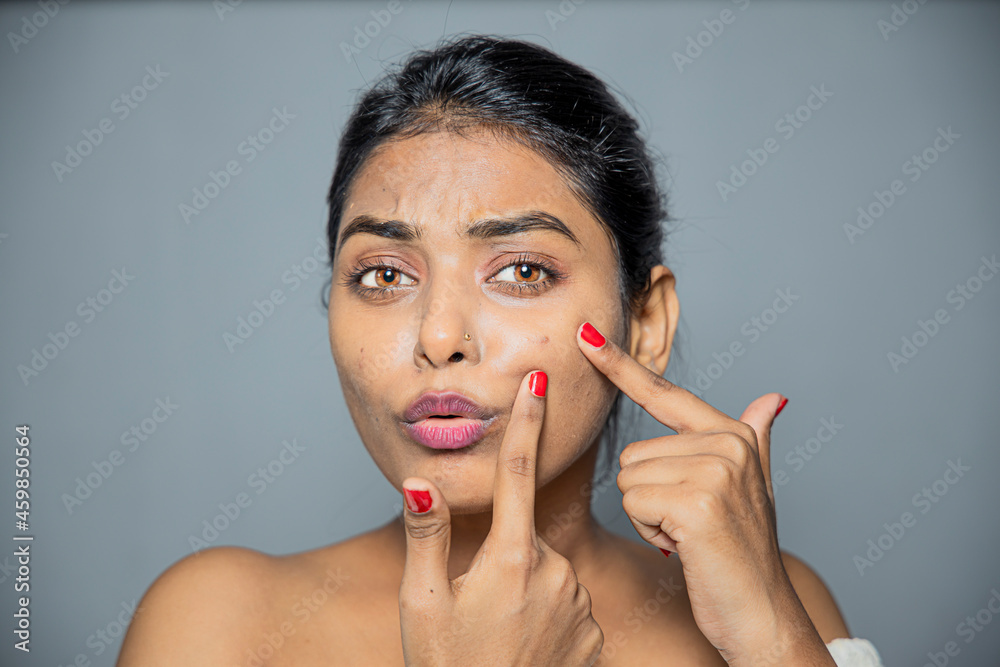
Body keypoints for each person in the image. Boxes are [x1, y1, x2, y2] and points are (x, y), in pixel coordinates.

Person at [118, 35, 883, 666]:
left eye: (521, 271)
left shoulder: (769, 608)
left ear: (643, 321)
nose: (440, 337)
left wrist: (776, 637)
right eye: (384, 274)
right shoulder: (216, 626)